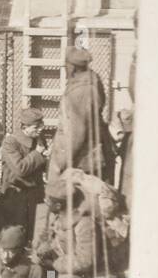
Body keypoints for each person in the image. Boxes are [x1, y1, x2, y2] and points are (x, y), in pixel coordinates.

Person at [47, 46, 116, 183]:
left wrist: (58, 164)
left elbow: (76, 134)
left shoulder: (81, 91)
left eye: (65, 66)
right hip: (90, 157)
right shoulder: (90, 82)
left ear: (72, 67)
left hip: (84, 162)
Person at [0, 107, 47, 238]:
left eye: (41, 126)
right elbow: (20, 169)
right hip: (15, 194)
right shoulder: (11, 142)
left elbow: (40, 165)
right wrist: (38, 153)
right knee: (14, 234)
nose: (40, 130)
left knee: (34, 232)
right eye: (36, 127)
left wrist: (47, 157)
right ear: (24, 127)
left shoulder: (38, 138)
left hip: (34, 192)